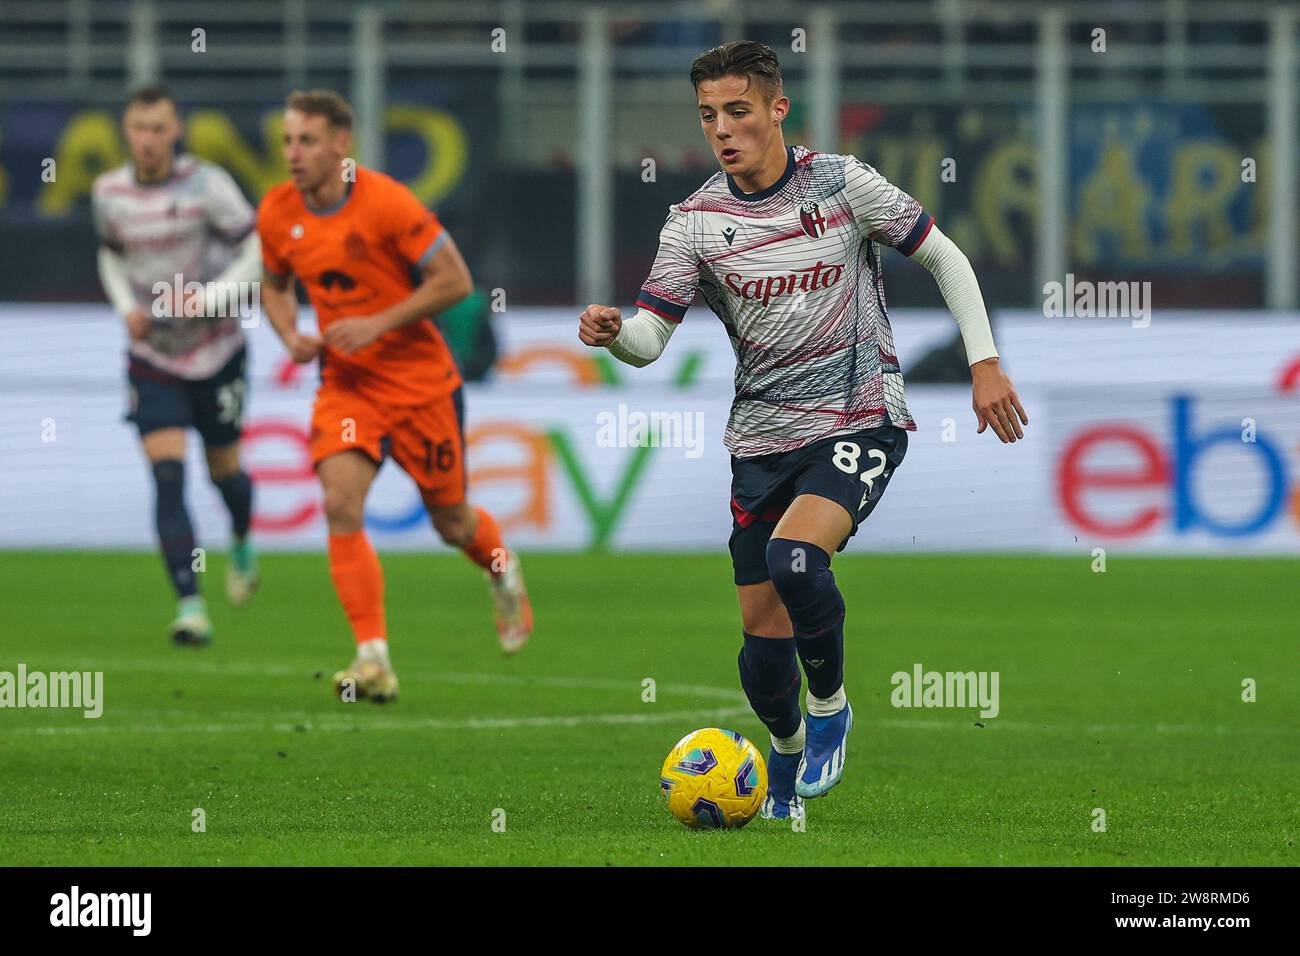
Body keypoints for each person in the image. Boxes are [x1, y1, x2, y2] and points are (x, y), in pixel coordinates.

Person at [579, 42, 1027, 819]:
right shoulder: (695, 223)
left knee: (796, 557)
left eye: (738, 112)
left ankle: (832, 710)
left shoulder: (842, 184)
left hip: (861, 413)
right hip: (761, 438)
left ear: (777, 110)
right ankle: (782, 757)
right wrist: (616, 331)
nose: (722, 129)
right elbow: (651, 339)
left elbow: (945, 256)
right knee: (760, 647)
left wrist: (984, 363)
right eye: (709, 116)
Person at [256, 90, 532, 703]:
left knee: (451, 521)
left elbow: (454, 281)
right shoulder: (277, 211)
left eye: (306, 141)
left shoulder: (386, 203)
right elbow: (272, 285)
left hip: (419, 387)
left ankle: (502, 569)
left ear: (340, 145)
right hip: (348, 388)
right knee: (341, 504)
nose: (293, 153)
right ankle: (373, 657)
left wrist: (377, 324)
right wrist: (288, 333)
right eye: (287, 141)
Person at [93, 84, 262, 646]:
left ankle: (240, 536)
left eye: (159, 128)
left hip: (216, 351)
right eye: (139, 128)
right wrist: (126, 310)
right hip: (154, 358)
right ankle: (190, 605)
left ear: (177, 130)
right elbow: (110, 254)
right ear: (126, 130)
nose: (148, 139)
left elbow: (257, 247)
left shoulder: (207, 185)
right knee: (168, 477)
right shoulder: (108, 192)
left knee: (226, 476)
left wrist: (210, 300)